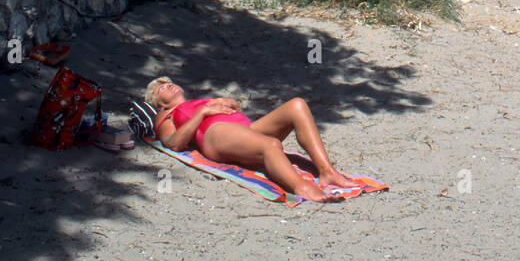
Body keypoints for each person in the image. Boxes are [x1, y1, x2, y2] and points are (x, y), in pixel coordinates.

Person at [145, 78, 363, 202]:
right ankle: (301, 187)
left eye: (169, 81)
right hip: (215, 133)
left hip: (244, 129)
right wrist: (203, 113)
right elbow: (172, 142)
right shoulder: (166, 114)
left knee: (297, 105)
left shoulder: (202, 100)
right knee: (271, 145)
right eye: (161, 87)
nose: (168, 83)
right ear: (160, 103)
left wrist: (225, 103)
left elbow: (234, 108)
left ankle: (327, 172)